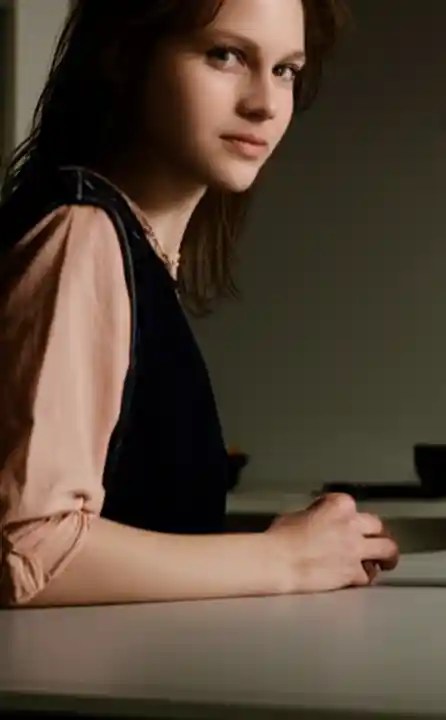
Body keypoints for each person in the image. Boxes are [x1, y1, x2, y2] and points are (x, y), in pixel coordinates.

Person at [0, 0, 399, 608]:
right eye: (226, 55)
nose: (264, 102)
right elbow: (30, 552)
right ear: (125, 56)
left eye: (286, 70)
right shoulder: (83, 234)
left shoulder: (131, 248)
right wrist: (282, 558)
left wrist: (299, 546)